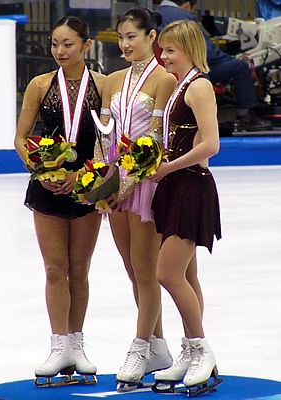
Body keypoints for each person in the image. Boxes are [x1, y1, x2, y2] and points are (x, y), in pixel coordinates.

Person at [14, 16, 105, 384]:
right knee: (54, 269)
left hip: (86, 188)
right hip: (47, 188)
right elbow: (20, 139)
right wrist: (42, 168)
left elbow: (108, 141)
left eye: (67, 44)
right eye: (54, 44)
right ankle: (58, 344)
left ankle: (77, 343)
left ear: (86, 45)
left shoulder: (103, 86)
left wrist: (82, 175)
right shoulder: (39, 85)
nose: (59, 51)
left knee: (79, 269)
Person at [98, 8, 176, 388]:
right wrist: (100, 181)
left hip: (147, 183)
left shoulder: (164, 79)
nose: (125, 44)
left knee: (147, 270)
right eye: (121, 37)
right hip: (116, 185)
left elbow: (159, 141)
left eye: (132, 36)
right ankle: (158, 344)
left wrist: (130, 182)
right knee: (132, 269)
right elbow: (104, 138)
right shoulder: (113, 80)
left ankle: (141, 344)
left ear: (151, 36)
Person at [150, 19, 222, 393]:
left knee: (168, 273)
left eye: (171, 50)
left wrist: (167, 167)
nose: (164, 57)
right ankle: (189, 352)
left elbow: (211, 145)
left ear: (190, 49)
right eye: (162, 50)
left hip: (192, 187)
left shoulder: (199, 86)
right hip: (176, 186)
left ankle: (201, 349)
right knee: (188, 276)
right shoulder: (180, 86)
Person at [156, 0, 271, 132]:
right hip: (191, 70)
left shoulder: (153, 15)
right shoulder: (184, 16)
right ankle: (246, 117)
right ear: (188, 5)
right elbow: (207, 52)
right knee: (240, 66)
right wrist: (230, 59)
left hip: (166, 71)